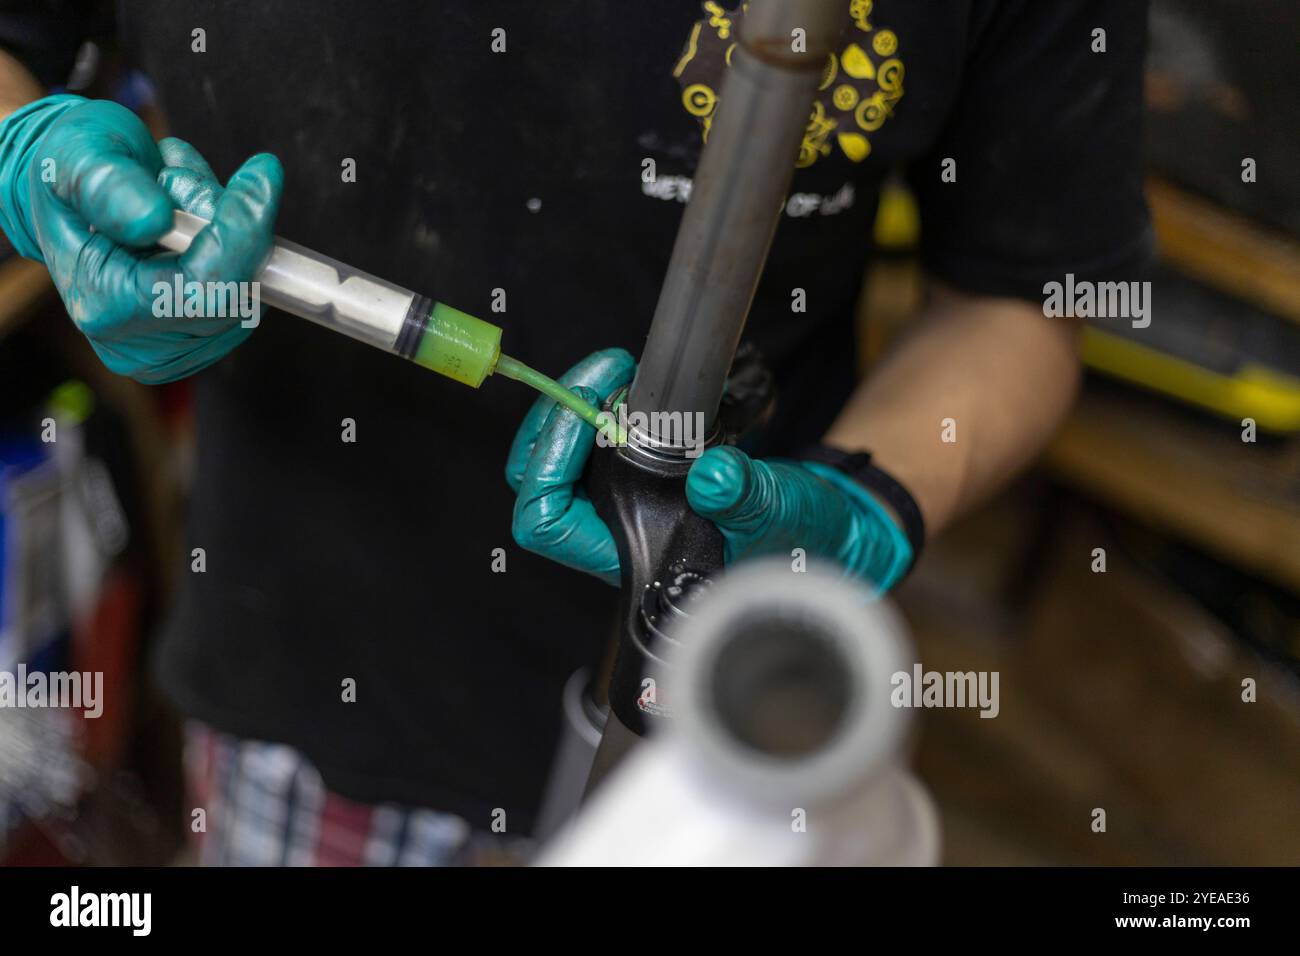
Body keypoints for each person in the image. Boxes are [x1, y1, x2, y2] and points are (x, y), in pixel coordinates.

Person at [0, 1, 1150, 865]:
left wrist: (867, 501)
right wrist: (28, 154)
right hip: (319, 675)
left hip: (734, 707)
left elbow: (1025, 291)